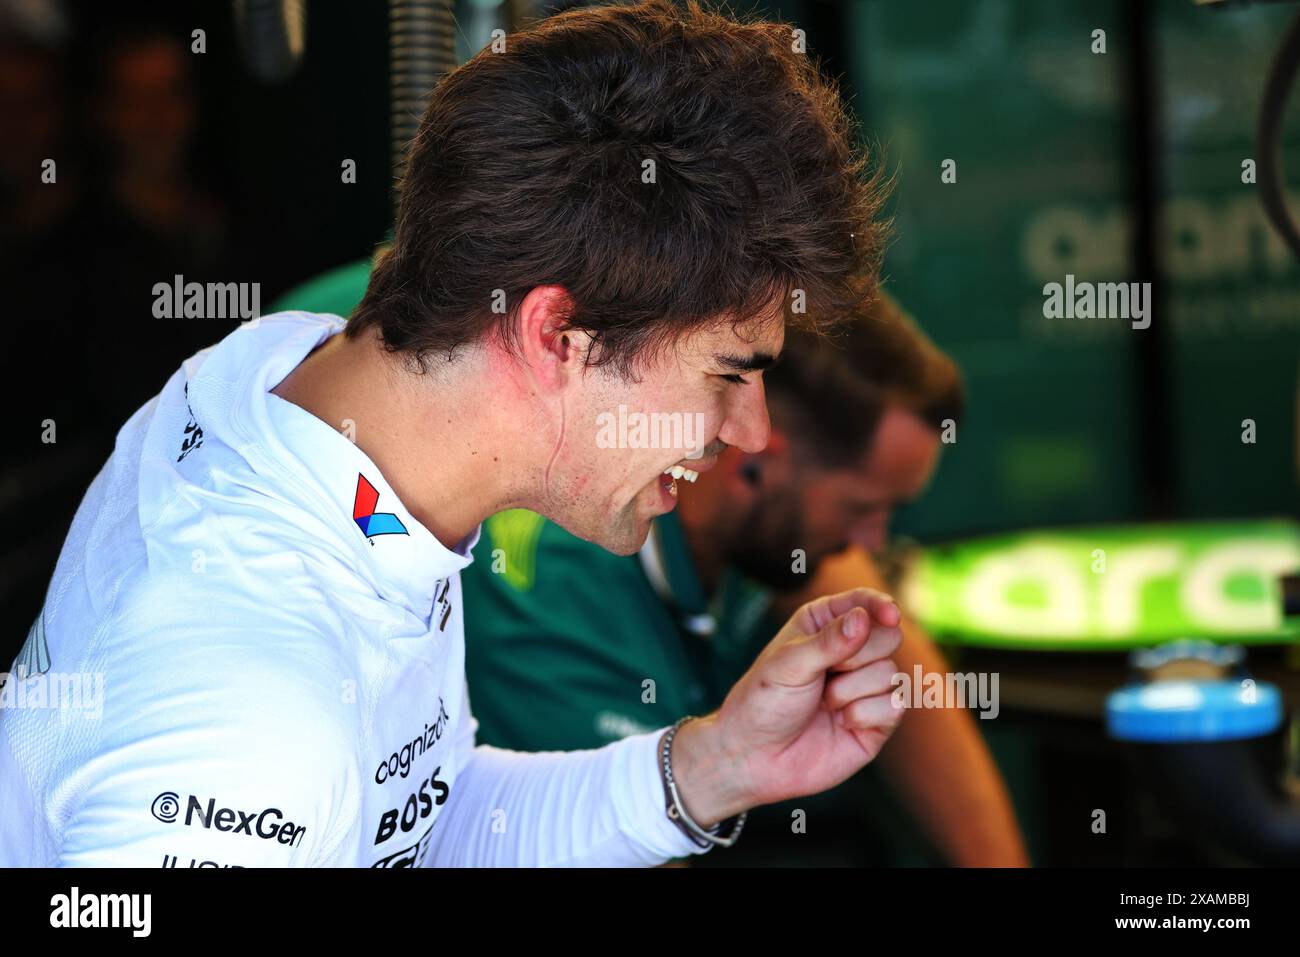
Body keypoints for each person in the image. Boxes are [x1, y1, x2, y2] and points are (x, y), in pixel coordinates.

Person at [0, 0, 901, 868]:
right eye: (729, 374)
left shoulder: (300, 393)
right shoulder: (254, 721)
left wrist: (714, 767)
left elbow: (413, 820)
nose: (748, 434)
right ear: (555, 335)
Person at [462, 293, 1030, 866]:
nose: (873, 543)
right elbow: (626, 844)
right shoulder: (560, 597)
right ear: (755, 463)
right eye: (861, 509)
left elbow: (889, 647)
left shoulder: (774, 534)